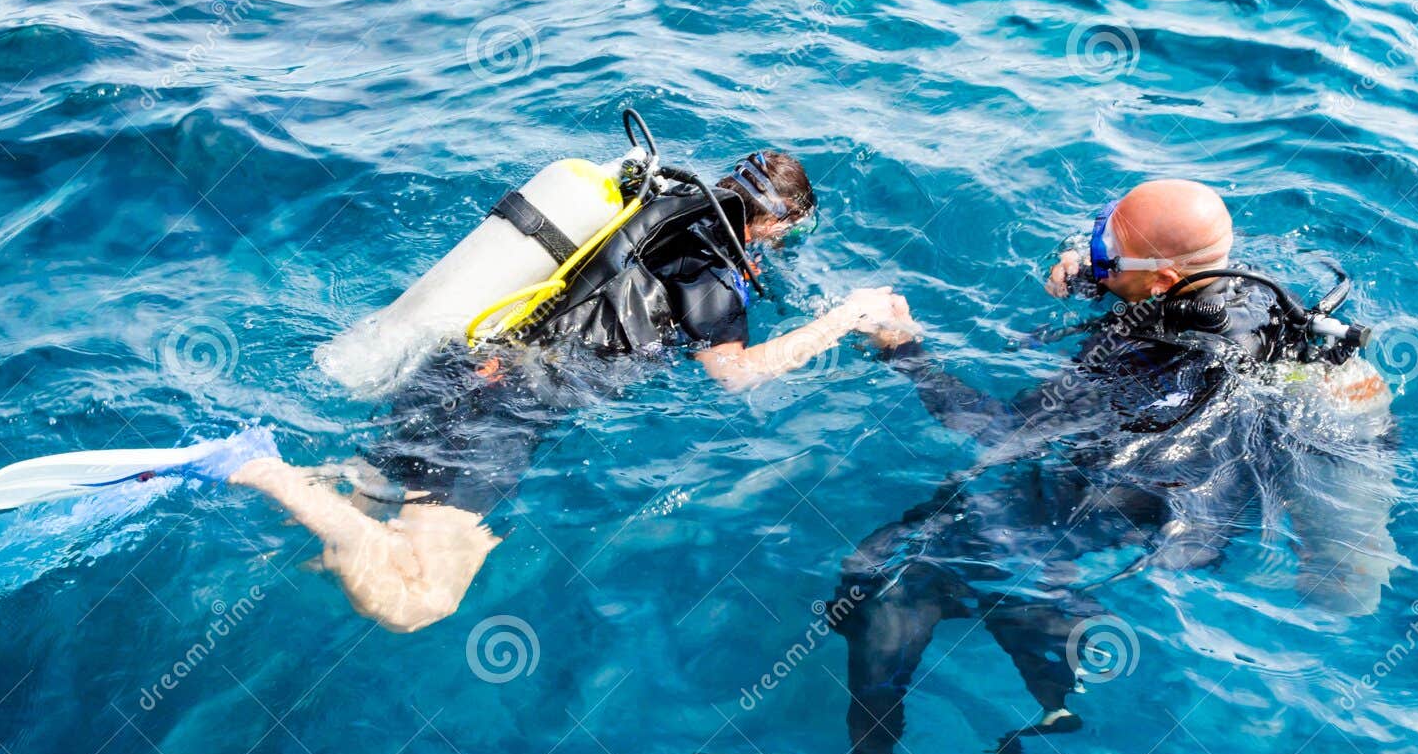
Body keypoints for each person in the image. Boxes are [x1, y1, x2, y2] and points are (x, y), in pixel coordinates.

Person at [829, 178, 1397, 754]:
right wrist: (1095, 280)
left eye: (1106, 253)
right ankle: (1055, 699)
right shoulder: (1263, 305)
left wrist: (906, 353)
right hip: (1181, 507)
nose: (1092, 256)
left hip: (1115, 487)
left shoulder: (1130, 358)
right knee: (1017, 561)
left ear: (1160, 282)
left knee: (887, 575)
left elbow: (994, 430)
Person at [218, 150, 911, 632]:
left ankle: (278, 486)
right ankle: (266, 472)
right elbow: (733, 374)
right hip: (501, 412)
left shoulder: (660, 202)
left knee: (346, 517)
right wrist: (846, 318)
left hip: (461, 364)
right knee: (419, 599)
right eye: (788, 232)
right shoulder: (712, 270)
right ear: (772, 223)